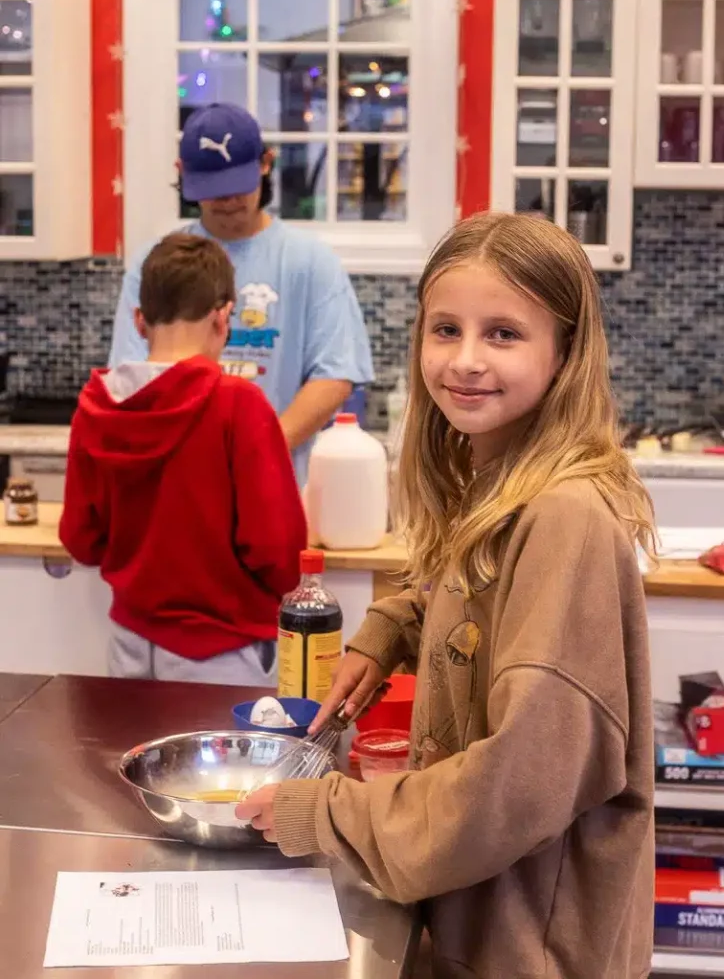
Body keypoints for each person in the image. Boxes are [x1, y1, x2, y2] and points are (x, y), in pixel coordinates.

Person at [236, 212, 656, 977]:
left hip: (533, 951)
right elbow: (477, 598)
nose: (465, 361)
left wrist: (326, 811)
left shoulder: (565, 516)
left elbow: (519, 785)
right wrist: (391, 626)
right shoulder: (501, 476)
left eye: (503, 334)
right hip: (480, 925)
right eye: (446, 329)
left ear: (565, 351)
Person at [60, 233, 307, 686]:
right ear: (223, 317)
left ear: (139, 321)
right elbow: (277, 552)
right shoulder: (241, 406)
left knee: (129, 755)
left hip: (129, 646)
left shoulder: (97, 405)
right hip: (224, 652)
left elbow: (81, 539)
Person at [109, 102, 374, 486]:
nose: (229, 201)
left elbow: (335, 376)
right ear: (182, 175)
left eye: (238, 186)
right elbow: (129, 375)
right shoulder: (156, 264)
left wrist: (256, 452)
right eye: (213, 190)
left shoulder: (311, 261)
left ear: (266, 163)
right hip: (178, 487)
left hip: (278, 484)